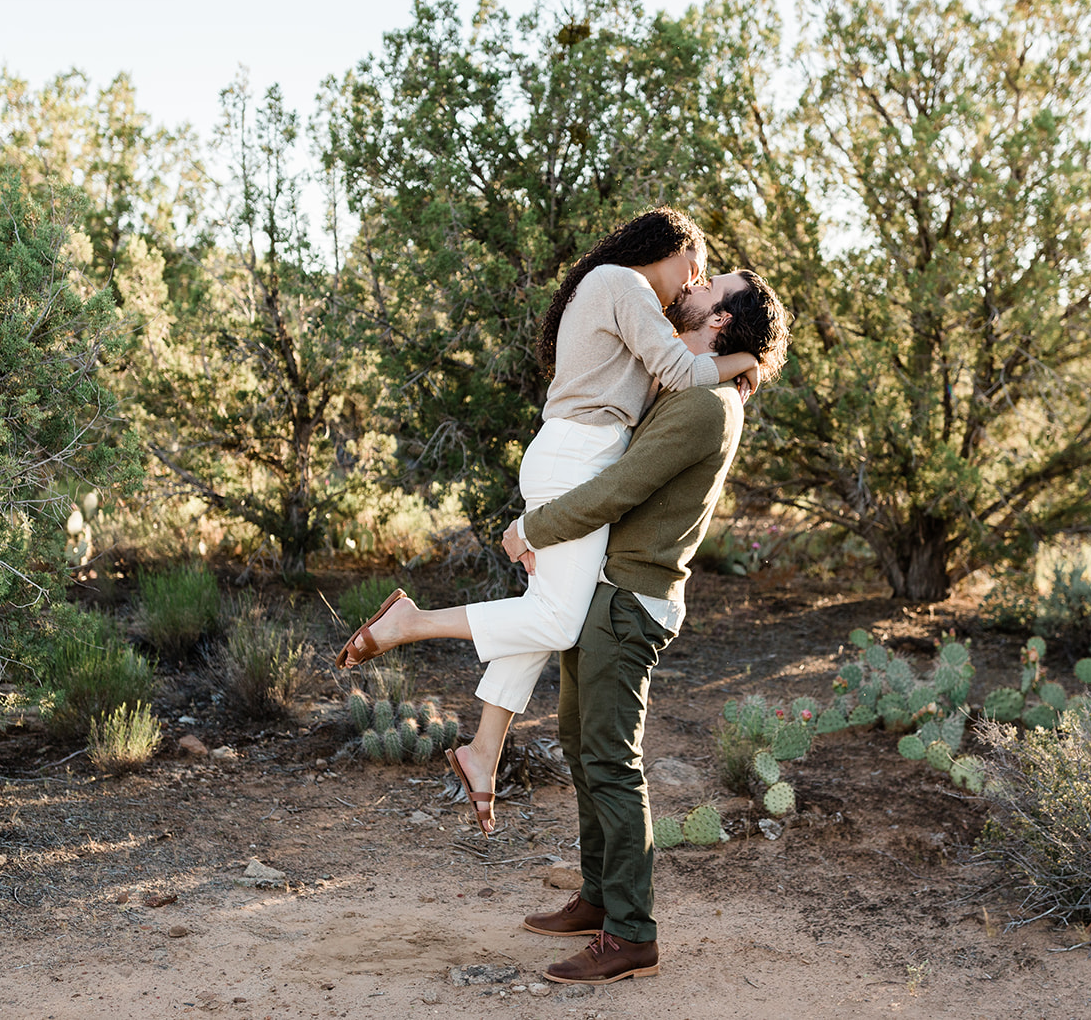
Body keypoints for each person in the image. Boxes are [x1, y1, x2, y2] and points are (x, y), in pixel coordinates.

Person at [335, 207, 760, 834]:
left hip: (571, 454)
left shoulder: (618, 288)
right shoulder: (626, 285)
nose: (691, 282)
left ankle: (482, 754)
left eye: (704, 280)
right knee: (558, 620)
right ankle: (411, 622)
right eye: (692, 266)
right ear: (669, 249)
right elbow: (680, 372)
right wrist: (743, 360)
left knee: (542, 617)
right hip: (579, 458)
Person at [512, 270, 790, 985]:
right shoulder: (696, 384)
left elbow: (620, 486)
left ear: (721, 318)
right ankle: (600, 898)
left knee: (610, 760)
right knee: (582, 744)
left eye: (709, 282)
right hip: (609, 587)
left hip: (630, 596)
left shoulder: (707, 406)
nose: (691, 284)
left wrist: (532, 529)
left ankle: (632, 934)